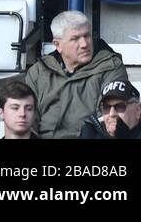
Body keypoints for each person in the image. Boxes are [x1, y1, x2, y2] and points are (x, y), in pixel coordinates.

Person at [24, 10, 128, 139]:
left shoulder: (111, 66)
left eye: (87, 36)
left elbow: (108, 119)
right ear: (58, 45)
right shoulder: (38, 72)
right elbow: (27, 120)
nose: (84, 44)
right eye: (75, 39)